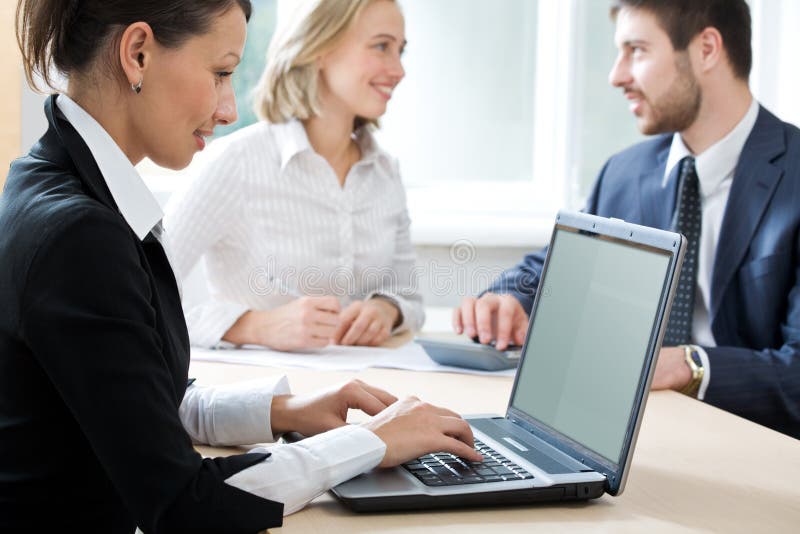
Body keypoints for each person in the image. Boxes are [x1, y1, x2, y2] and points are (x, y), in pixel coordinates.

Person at [0, 1, 480, 531]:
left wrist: (283, 411)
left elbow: (141, 403)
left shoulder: (48, 179)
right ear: (138, 54)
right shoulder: (81, 237)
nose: (229, 109)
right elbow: (184, 502)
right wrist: (370, 441)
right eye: (221, 72)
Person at [454, 0, 800, 439]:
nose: (617, 76)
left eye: (636, 50)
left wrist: (690, 365)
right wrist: (507, 300)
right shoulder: (625, 172)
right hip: (629, 434)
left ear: (707, 49)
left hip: (754, 443)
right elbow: (548, 270)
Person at [164, 0, 422, 351]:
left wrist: (386, 309)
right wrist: (255, 326)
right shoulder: (236, 162)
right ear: (320, 48)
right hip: (267, 397)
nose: (399, 70)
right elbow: (142, 297)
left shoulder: (385, 172)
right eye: (381, 46)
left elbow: (410, 297)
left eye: (400, 51)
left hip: (367, 391)